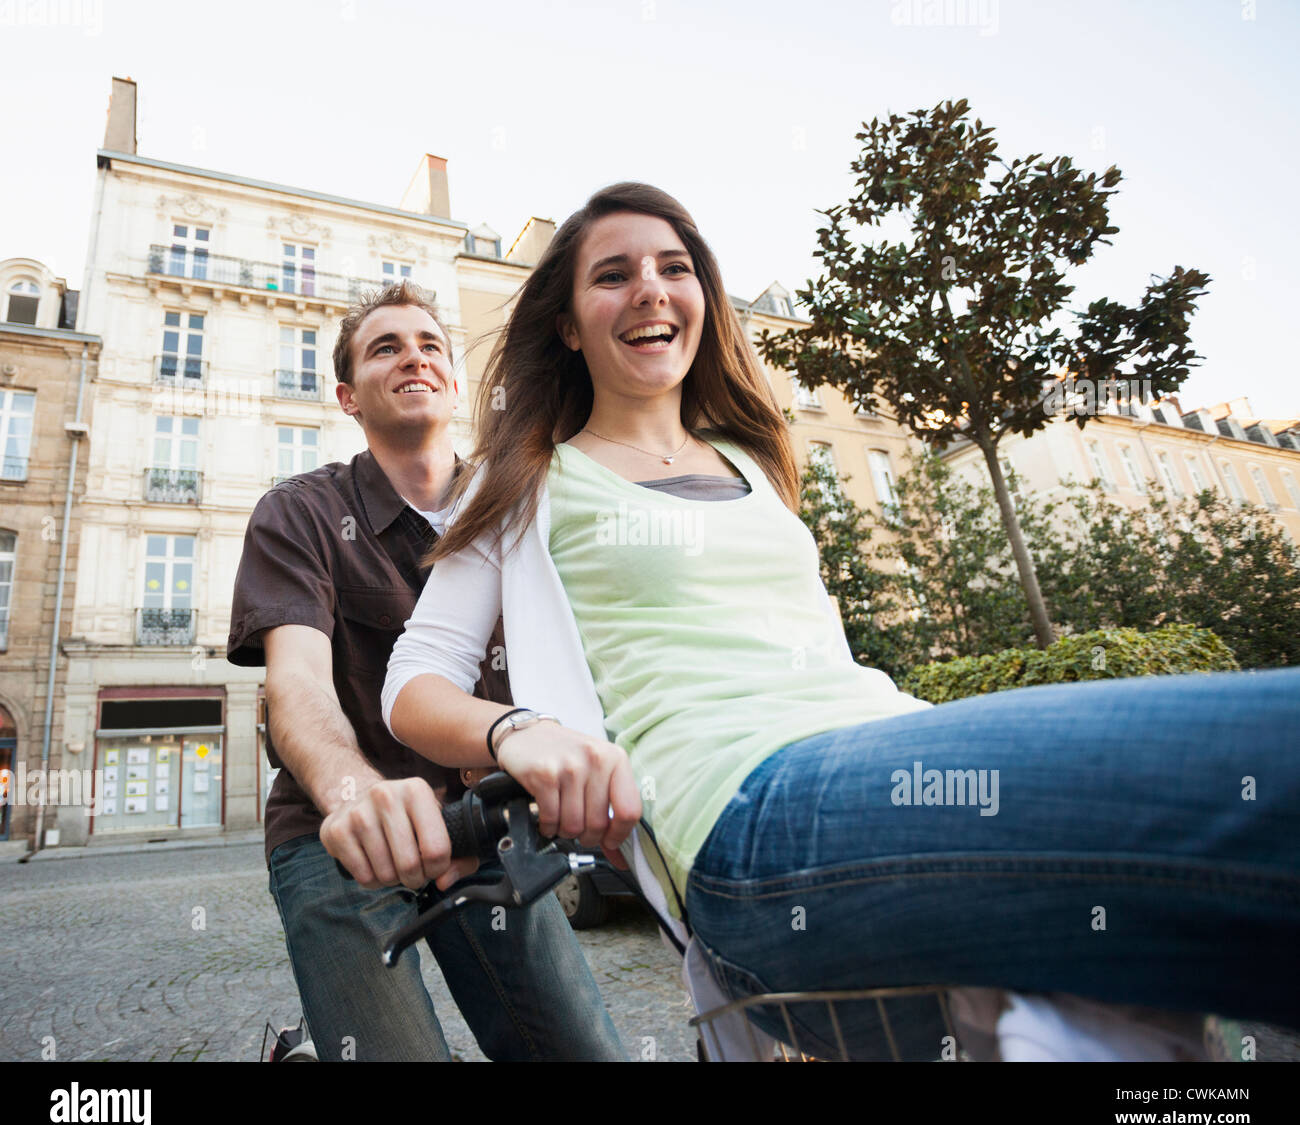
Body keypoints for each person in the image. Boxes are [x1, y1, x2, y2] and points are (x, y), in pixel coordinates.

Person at [380, 185, 1300, 1059]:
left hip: (884, 743)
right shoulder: (532, 479)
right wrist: (521, 731)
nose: (650, 289)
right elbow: (413, 684)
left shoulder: (752, 460)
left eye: (675, 266)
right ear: (566, 324)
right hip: (743, 811)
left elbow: (823, 653)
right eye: (612, 275)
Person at [227, 281, 625, 1061]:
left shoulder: (521, 507)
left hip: (487, 830)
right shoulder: (300, 513)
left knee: (582, 1050)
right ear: (347, 395)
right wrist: (357, 795)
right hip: (338, 832)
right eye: (386, 346)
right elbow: (296, 686)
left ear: (450, 380)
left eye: (430, 344)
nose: (414, 354)